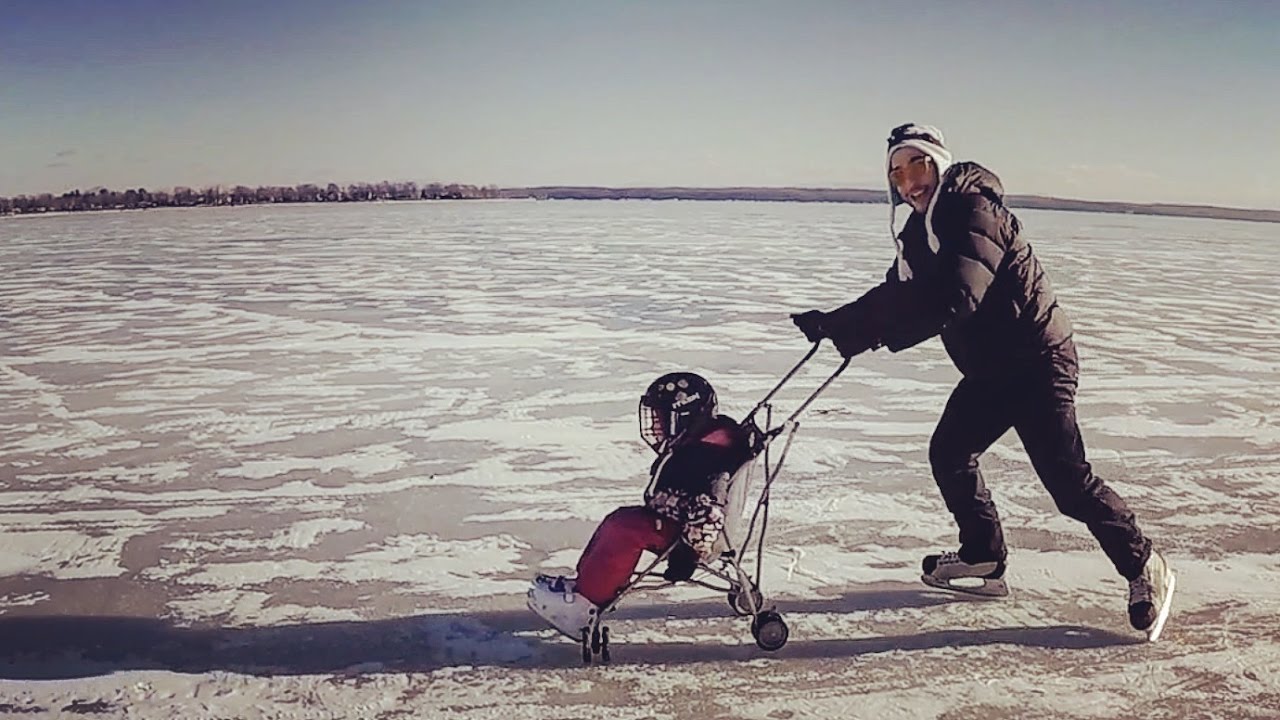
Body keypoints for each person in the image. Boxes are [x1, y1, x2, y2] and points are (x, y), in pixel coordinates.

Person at [790, 123, 1174, 638]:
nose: (909, 182)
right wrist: (837, 323)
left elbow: (957, 295)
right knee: (949, 452)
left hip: (1040, 363)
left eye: (917, 165)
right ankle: (983, 558)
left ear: (939, 164)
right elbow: (895, 293)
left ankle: (1145, 566)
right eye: (896, 173)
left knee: (1068, 484)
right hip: (993, 370)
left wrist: (870, 333)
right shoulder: (918, 233)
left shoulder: (972, 211)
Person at [527, 372, 756, 639]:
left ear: (683, 416)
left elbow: (709, 510)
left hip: (689, 535)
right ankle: (585, 585)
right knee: (619, 521)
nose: (656, 426)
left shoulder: (708, 456)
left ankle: (584, 603)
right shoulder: (704, 444)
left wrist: (689, 553)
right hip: (677, 519)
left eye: (661, 419)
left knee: (625, 530)